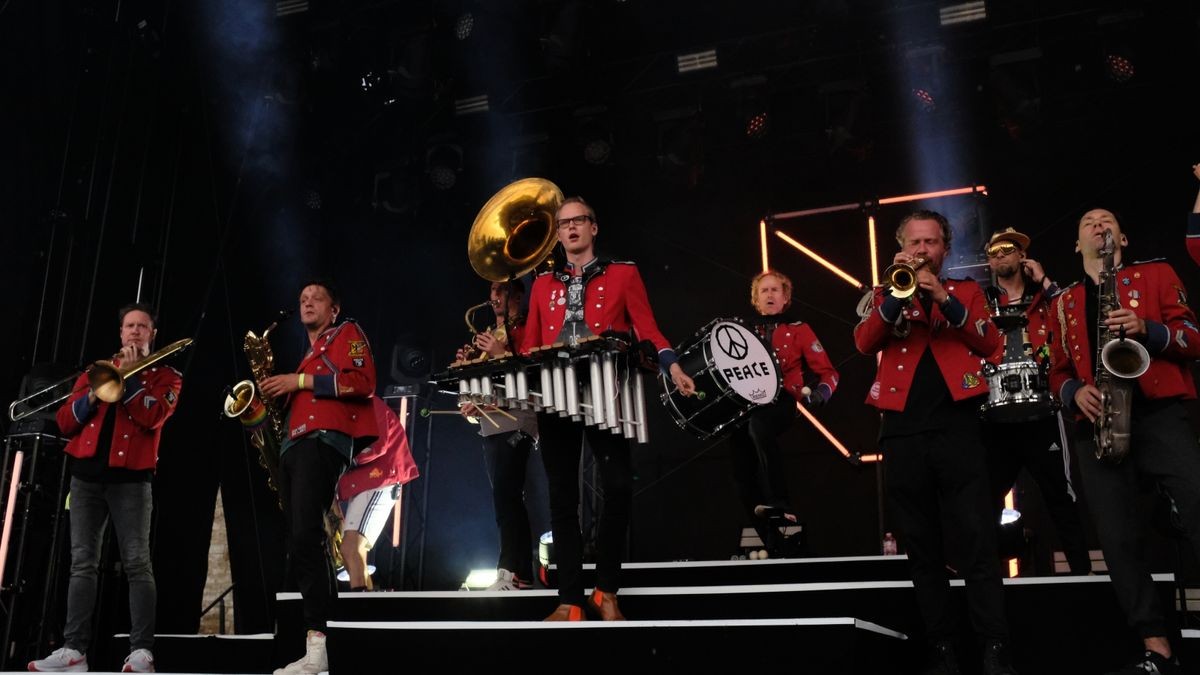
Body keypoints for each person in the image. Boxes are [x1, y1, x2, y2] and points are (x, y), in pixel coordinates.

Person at [853, 210, 1017, 674]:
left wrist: (943, 298)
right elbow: (865, 343)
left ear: (945, 250)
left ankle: (995, 647)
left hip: (959, 427)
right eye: (915, 243)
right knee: (922, 547)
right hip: (902, 428)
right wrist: (892, 298)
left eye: (932, 243)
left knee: (978, 541)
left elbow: (991, 345)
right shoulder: (885, 293)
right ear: (901, 249)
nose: (924, 250)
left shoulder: (964, 291)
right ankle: (942, 648)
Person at [520, 196, 695, 621]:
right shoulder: (542, 283)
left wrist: (672, 366)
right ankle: (569, 600)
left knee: (617, 486)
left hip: (606, 388)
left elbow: (647, 327)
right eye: (564, 224)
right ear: (558, 233)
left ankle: (607, 589)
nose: (571, 229)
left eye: (579, 221)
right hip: (555, 390)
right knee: (562, 496)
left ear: (593, 227)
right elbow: (530, 343)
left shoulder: (623, 273)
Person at [1049, 208, 1200, 675]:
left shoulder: (1155, 274)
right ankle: (1157, 647)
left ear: (1123, 237)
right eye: (1088, 222)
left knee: (1197, 506)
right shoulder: (1063, 301)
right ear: (1078, 245)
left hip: (1157, 414)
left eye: (1107, 220)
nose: (1098, 224)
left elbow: (1192, 337)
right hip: (1099, 422)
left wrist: (1148, 330)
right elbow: (1054, 369)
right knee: (1116, 539)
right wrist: (1075, 391)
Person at [30, 303, 182, 673]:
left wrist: (127, 380)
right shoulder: (96, 371)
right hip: (85, 477)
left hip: (131, 480)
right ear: (120, 333)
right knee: (82, 564)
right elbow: (65, 422)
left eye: (142, 327)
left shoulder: (167, 377)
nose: (134, 332)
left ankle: (142, 651)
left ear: (152, 335)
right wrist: (96, 392)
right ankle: (74, 651)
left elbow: (153, 416)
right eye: (128, 326)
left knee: (137, 564)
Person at [259, 279, 378, 675]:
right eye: (302, 299)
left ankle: (318, 643)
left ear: (333, 309)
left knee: (306, 537)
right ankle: (324, 641)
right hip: (294, 445)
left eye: (316, 298)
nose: (307, 302)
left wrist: (300, 382)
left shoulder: (347, 333)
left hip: (321, 442)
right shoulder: (306, 354)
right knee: (303, 539)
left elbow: (363, 382)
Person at [981, 227, 1091, 575]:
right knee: (984, 501)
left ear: (1022, 257)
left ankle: (1082, 577)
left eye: (1007, 250)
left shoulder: (1046, 296)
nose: (1000, 256)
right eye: (994, 251)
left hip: (1042, 409)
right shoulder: (980, 300)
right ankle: (986, 583)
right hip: (995, 416)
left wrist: (1044, 280)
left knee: (1061, 497)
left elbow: (1072, 313)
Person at [734, 269, 839, 557]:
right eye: (764, 291)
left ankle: (781, 502)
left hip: (781, 402)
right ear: (756, 299)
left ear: (786, 298)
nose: (770, 295)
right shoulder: (741, 330)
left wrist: (821, 393)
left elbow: (829, 373)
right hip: (746, 404)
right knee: (740, 462)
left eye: (775, 290)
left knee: (759, 426)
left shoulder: (799, 329)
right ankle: (764, 530)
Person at [457, 280, 546, 591]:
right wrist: (468, 378)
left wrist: (500, 352)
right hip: (491, 423)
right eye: (492, 291)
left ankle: (508, 570)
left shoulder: (526, 327)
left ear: (518, 295)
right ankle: (520, 574)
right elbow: (487, 387)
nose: (494, 296)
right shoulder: (486, 336)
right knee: (506, 500)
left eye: (501, 290)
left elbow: (532, 370)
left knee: (506, 496)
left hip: (518, 419)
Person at [335, 396, 419, 591]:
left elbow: (376, 445)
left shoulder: (368, 402)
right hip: (366, 483)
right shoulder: (347, 407)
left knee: (351, 549)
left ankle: (362, 610)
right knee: (356, 552)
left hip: (380, 479)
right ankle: (368, 603)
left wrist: (338, 463)